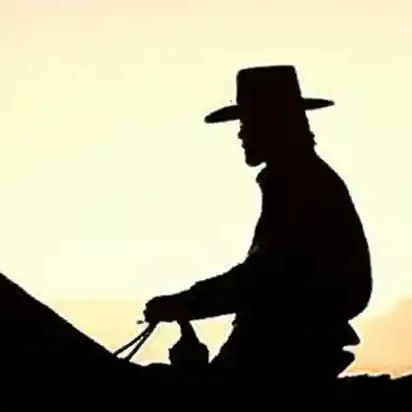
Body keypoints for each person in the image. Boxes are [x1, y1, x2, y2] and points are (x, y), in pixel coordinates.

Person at [143, 65, 373, 389]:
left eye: (247, 123)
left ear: (273, 125)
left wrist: (185, 303)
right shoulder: (303, 179)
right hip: (286, 341)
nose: (240, 134)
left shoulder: (298, 185)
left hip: (283, 349)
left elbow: (262, 277)